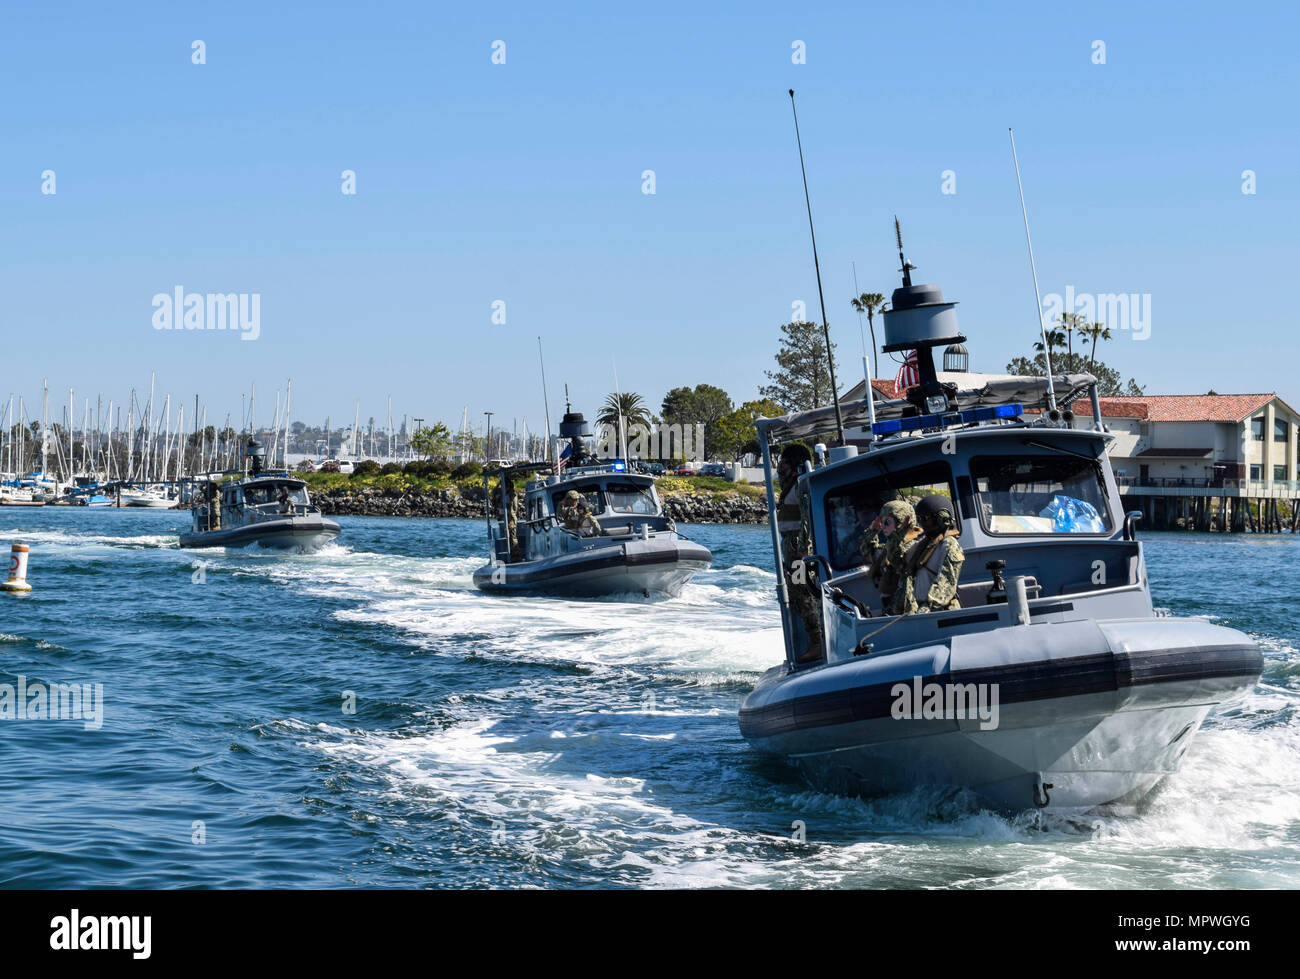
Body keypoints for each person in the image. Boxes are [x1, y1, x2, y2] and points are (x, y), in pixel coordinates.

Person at [775, 443, 821, 663]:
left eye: (783, 461)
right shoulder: (790, 485)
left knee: (804, 595)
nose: (779, 466)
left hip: (798, 550)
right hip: (790, 548)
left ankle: (817, 643)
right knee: (796, 595)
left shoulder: (801, 485)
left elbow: (806, 520)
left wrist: (803, 550)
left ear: (793, 463)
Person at [903, 494, 965, 613]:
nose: (921, 523)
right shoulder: (924, 545)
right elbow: (901, 560)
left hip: (942, 611)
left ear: (941, 519)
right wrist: (901, 533)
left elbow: (947, 581)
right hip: (923, 610)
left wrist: (927, 607)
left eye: (925, 518)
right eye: (919, 519)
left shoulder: (949, 545)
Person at [868, 499, 923, 616]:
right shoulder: (889, 547)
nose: (882, 526)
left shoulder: (911, 548)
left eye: (887, 522)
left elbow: (897, 559)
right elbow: (869, 551)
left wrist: (898, 535)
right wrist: (872, 531)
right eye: (882, 522)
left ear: (901, 522)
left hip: (905, 610)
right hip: (892, 608)